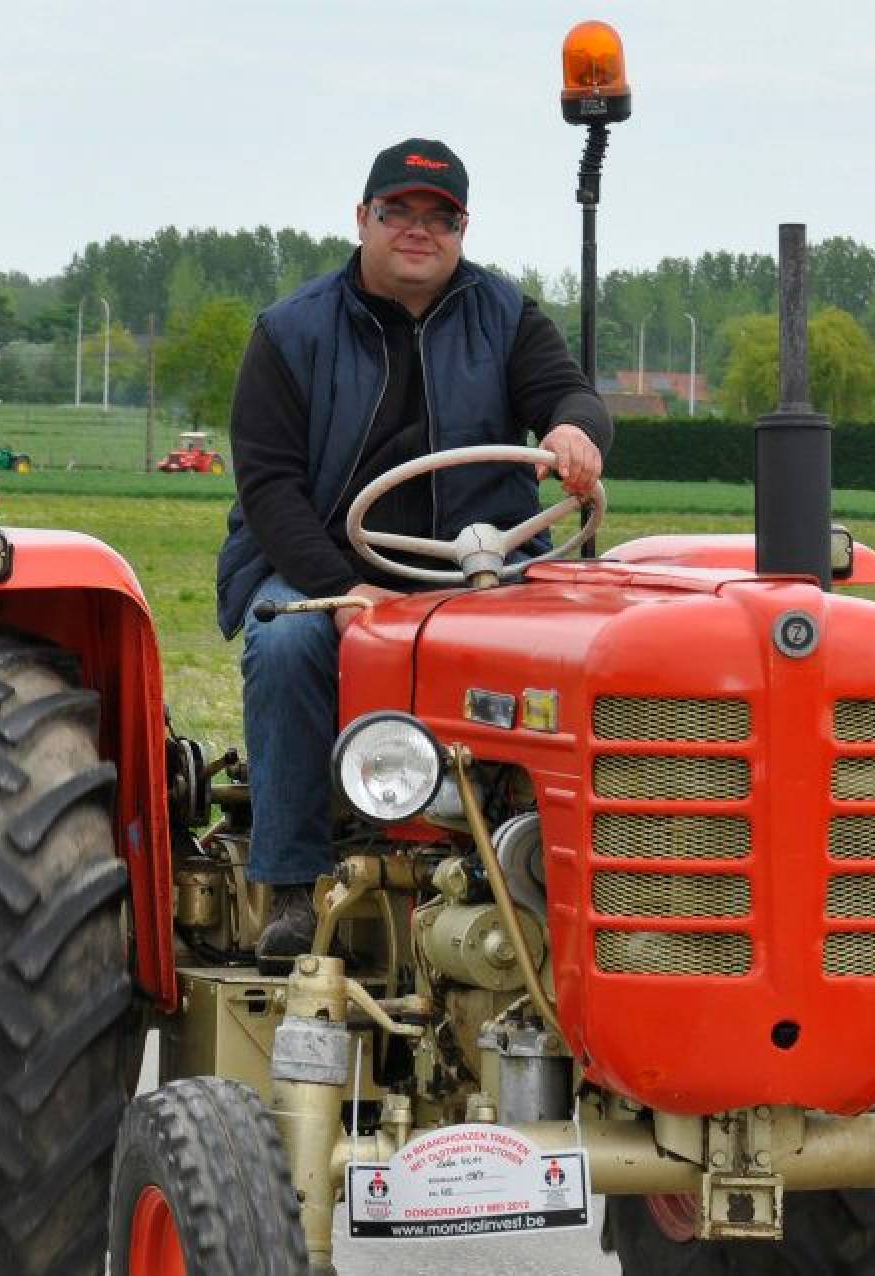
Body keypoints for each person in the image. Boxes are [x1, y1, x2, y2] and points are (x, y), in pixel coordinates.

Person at [213, 138, 611, 966]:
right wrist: (347, 588)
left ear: (463, 228)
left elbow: (565, 393)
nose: (419, 231)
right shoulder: (290, 334)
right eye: (399, 213)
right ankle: (291, 886)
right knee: (287, 641)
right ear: (364, 218)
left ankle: (570, 879)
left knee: (593, 652)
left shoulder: (503, 316)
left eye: (442, 217)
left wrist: (575, 429)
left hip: (479, 564)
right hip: (324, 560)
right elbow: (270, 489)